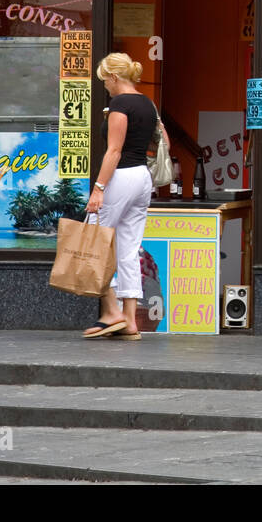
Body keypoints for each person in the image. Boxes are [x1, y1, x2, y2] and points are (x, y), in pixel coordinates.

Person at [83, 53, 166, 339]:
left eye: (105, 80)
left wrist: (99, 188)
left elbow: (114, 151)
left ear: (115, 77)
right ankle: (130, 322)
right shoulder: (147, 102)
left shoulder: (120, 103)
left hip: (121, 177)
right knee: (129, 250)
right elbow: (163, 140)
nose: (105, 86)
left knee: (94, 241)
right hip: (143, 178)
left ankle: (111, 312)